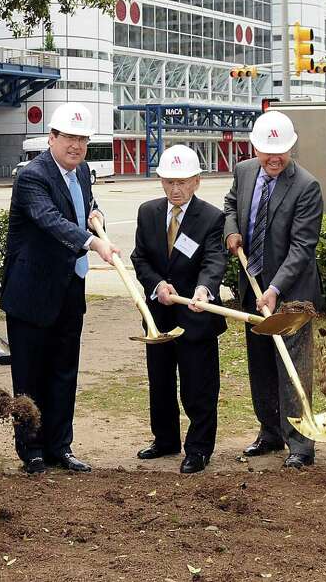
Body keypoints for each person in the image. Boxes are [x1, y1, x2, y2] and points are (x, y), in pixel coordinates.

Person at [1, 102, 116, 474]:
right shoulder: (33, 176)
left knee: (65, 371)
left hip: (70, 288)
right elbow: (50, 220)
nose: (76, 146)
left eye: (82, 140)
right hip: (32, 292)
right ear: (51, 138)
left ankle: (60, 446)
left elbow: (85, 205)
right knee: (30, 375)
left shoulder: (82, 172)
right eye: (69, 138)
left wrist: (96, 214)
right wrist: (92, 241)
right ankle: (31, 450)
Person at [223, 111, 324, 469]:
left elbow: (302, 247)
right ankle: (270, 431)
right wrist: (231, 231)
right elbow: (232, 204)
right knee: (261, 361)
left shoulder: (307, 187)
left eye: (281, 150)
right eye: (267, 151)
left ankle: (300, 442)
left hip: (292, 293)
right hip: (252, 286)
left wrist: (276, 288)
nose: (274, 158)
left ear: (292, 146)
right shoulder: (245, 171)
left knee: (292, 364)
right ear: (255, 148)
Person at [129, 145, 226, 474]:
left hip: (195, 315)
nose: (175, 189)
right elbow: (139, 258)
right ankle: (165, 439)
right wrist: (157, 285)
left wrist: (203, 289)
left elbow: (214, 260)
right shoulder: (148, 212)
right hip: (159, 315)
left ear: (197, 181)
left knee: (198, 385)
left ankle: (198, 448)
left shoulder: (212, 217)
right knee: (160, 382)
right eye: (169, 181)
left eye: (182, 181)